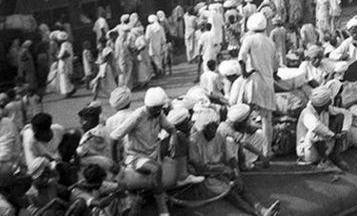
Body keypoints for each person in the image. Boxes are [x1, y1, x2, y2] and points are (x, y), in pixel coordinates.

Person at [188, 109, 279, 216]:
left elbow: (230, 158)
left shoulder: (219, 136)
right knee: (231, 192)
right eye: (211, 128)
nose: (214, 130)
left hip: (220, 172)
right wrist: (222, 170)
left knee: (241, 187)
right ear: (204, 128)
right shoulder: (194, 140)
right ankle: (255, 212)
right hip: (204, 177)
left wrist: (237, 175)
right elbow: (199, 167)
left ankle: (262, 209)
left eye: (215, 127)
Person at [109, 87, 174, 216]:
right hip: (136, 157)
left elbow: (171, 128)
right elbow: (113, 137)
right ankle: (163, 209)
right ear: (147, 106)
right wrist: (114, 162)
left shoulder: (159, 114)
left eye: (159, 108)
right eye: (154, 109)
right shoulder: (137, 116)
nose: (157, 111)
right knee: (155, 169)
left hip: (153, 154)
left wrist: (174, 138)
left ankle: (161, 193)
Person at [238, 13, 278, 158]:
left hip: (254, 81)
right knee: (267, 119)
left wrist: (244, 73)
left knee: (245, 114)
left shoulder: (249, 39)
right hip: (268, 82)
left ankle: (245, 149)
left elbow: (241, 58)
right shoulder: (270, 42)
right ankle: (267, 151)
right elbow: (275, 65)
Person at [295, 86, 351, 171]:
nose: (330, 102)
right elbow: (316, 126)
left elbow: (347, 113)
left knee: (340, 116)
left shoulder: (325, 109)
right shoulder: (307, 113)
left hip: (322, 144)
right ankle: (324, 161)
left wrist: (345, 130)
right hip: (308, 152)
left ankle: (335, 155)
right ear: (323, 103)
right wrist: (333, 135)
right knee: (314, 132)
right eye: (328, 101)